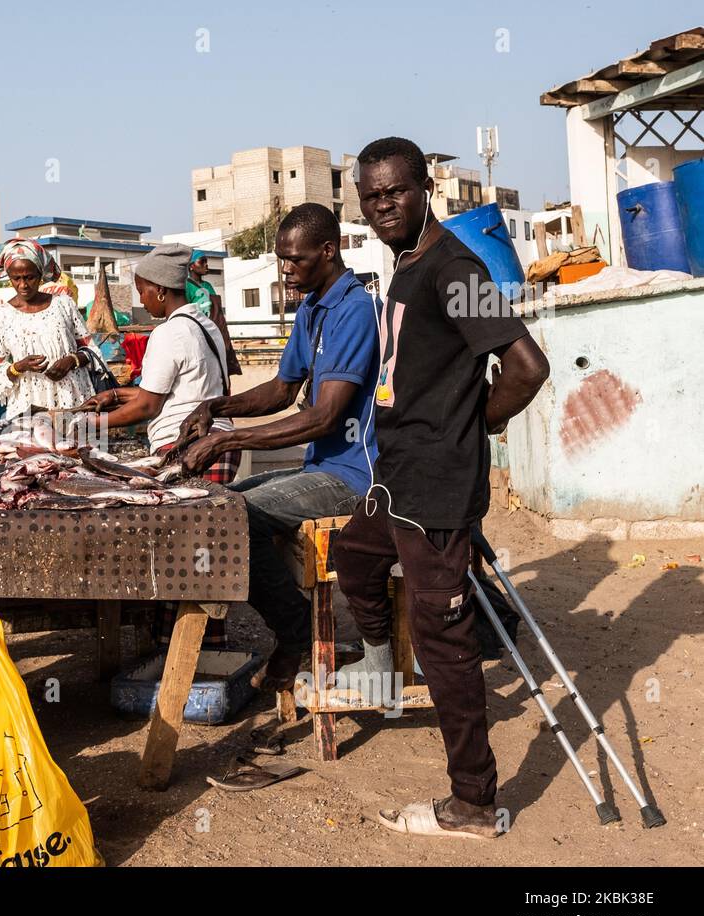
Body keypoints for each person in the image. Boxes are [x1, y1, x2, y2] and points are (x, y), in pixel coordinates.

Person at [334, 137, 549, 839]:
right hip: (394, 480)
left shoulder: (453, 267)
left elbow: (526, 367)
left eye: (395, 191)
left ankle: (475, 802)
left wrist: (469, 425)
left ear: (426, 188)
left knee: (444, 641)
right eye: (370, 195)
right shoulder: (405, 265)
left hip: (434, 487)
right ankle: (376, 665)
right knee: (355, 559)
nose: (382, 206)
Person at [175, 204, 379, 687]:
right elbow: (282, 390)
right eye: (281, 259)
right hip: (321, 468)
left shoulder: (354, 311)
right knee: (218, 503)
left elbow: (324, 416)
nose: (285, 270)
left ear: (329, 252)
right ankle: (296, 625)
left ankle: (294, 633)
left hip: (355, 478)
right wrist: (215, 407)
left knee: (235, 517)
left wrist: (230, 439)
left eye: (295, 260)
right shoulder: (311, 307)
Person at [80, 243, 239, 482]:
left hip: (188, 445)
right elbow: (180, 389)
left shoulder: (169, 332)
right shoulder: (206, 325)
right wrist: (114, 395)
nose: (142, 300)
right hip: (220, 441)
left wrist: (91, 423)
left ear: (161, 290)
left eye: (142, 291)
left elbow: (148, 406)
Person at [0, 238, 96, 420]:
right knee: (33, 448)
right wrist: (18, 367)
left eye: (29, 277)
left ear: (40, 273)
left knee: (76, 447)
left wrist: (72, 360)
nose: (23, 285)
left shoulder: (63, 305)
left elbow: (91, 350)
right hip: (27, 407)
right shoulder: (0, 316)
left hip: (73, 401)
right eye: (16, 278)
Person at [187, 250, 242, 377]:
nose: (206, 264)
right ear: (191, 266)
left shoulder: (208, 285)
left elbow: (216, 310)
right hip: (199, 333)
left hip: (214, 331)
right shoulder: (187, 286)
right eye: (202, 261)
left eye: (206, 261)